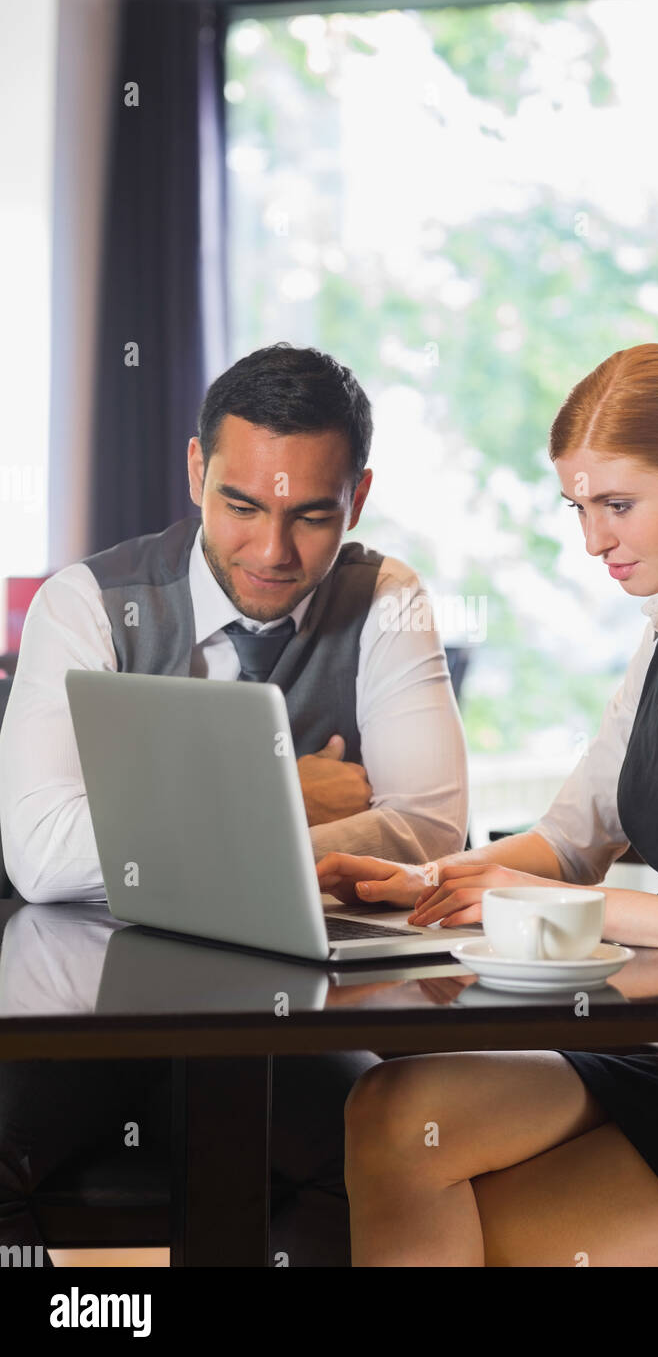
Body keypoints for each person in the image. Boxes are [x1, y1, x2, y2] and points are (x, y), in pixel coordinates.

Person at [318, 342, 658, 1268]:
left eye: (617, 505)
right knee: (394, 1114)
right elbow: (573, 840)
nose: (593, 541)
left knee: (496, 1235)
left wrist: (595, 911)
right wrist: (426, 881)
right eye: (579, 509)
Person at [0, 342, 468, 1266]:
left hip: (288, 1020)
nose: (270, 551)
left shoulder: (386, 601)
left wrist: (163, 822)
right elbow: (46, 858)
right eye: (240, 506)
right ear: (194, 471)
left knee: (373, 1153)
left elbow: (427, 825)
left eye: (311, 516)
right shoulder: (89, 603)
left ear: (358, 500)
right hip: (87, 1011)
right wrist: (291, 791)